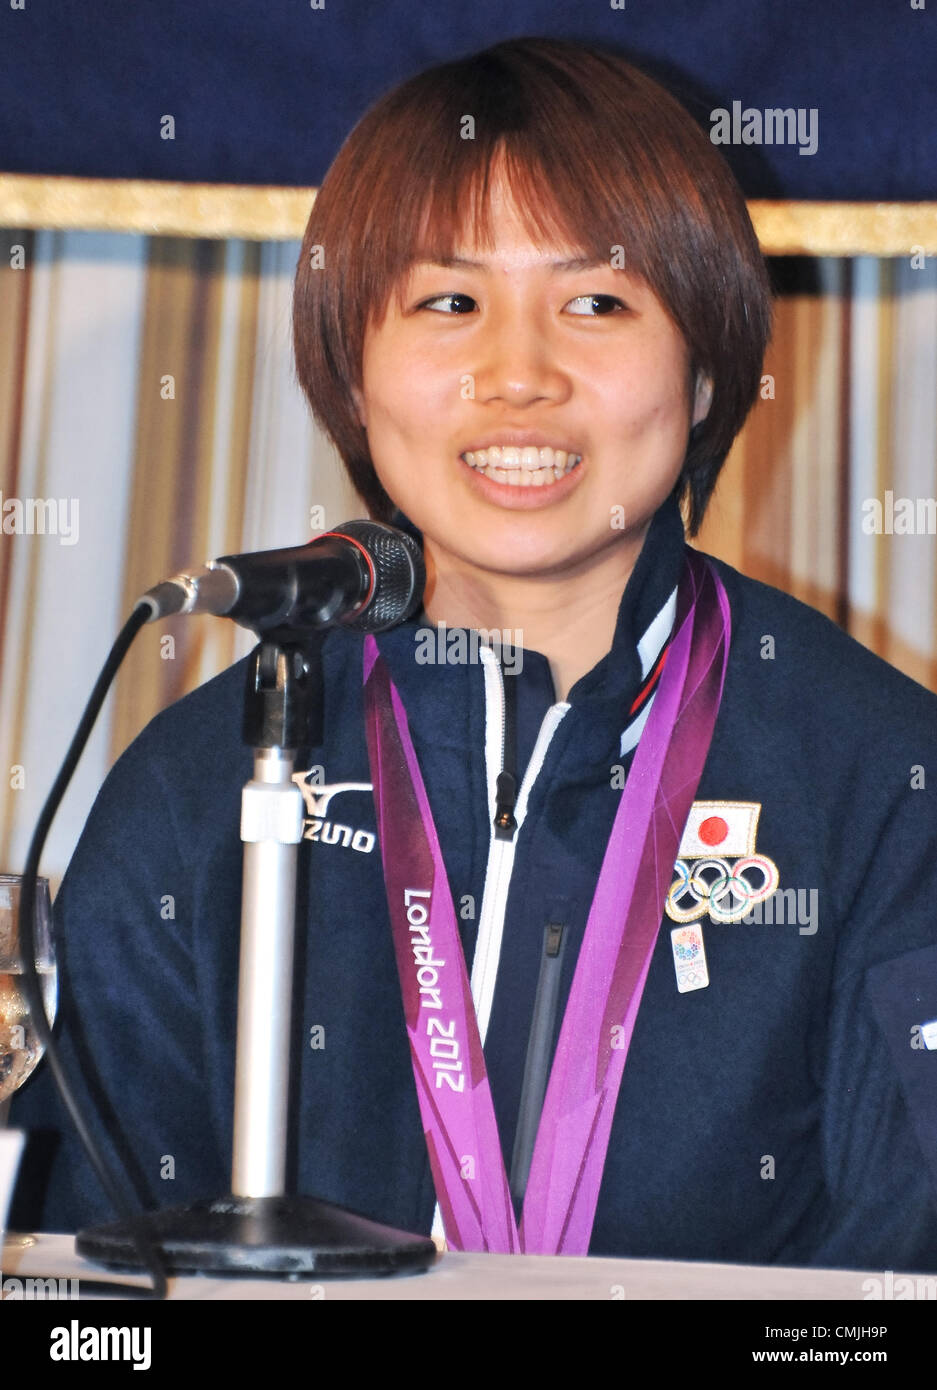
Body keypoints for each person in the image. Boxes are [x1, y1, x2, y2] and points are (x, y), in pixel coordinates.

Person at [12, 36, 937, 1270]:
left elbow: (902, 1265)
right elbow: (86, 1278)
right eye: (449, 303)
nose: (518, 376)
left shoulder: (874, 772)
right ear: (351, 367)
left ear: (705, 370)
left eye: (596, 302)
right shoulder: (207, 782)